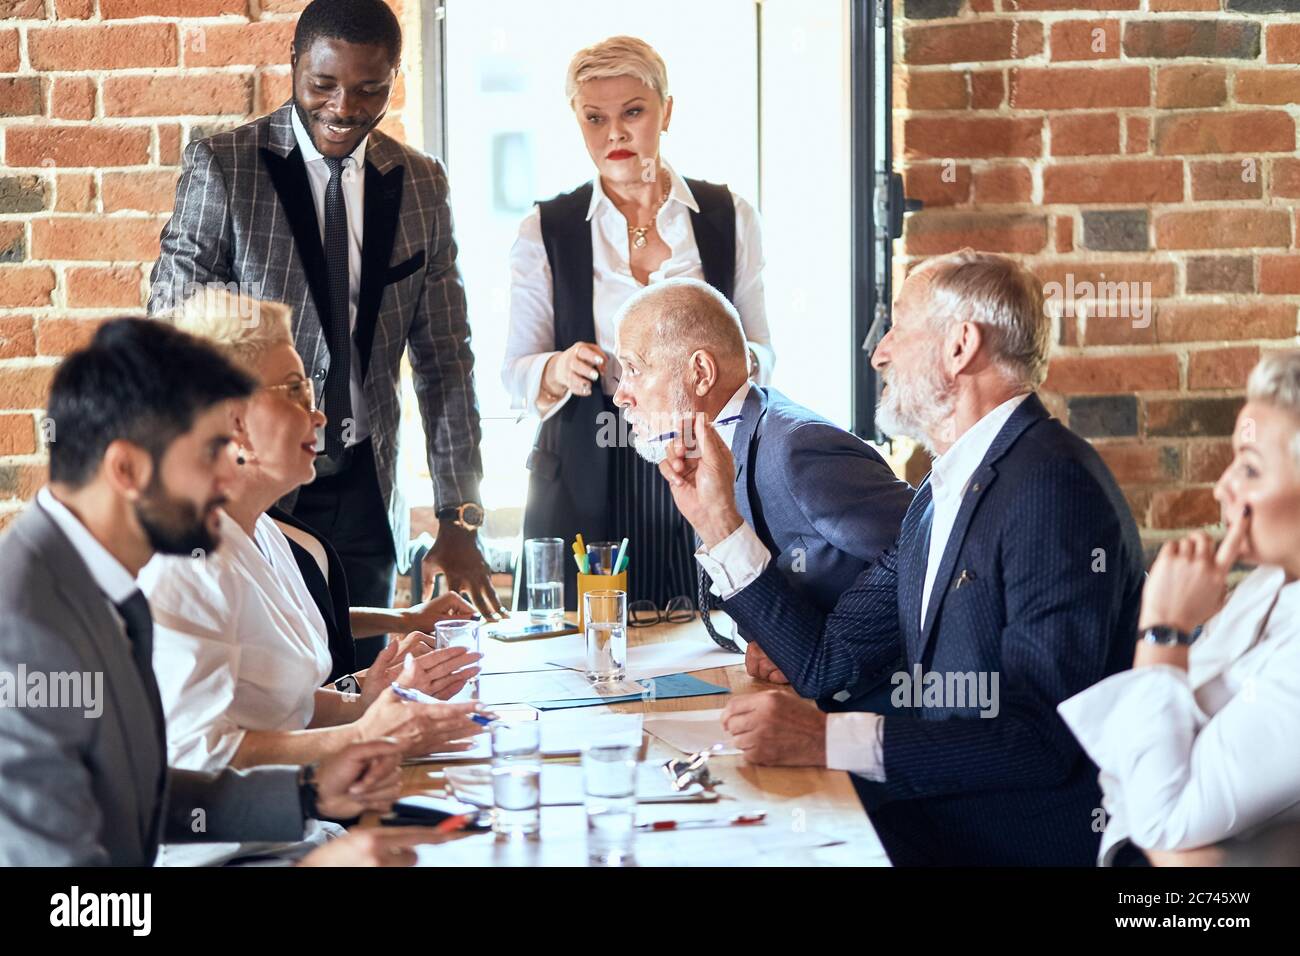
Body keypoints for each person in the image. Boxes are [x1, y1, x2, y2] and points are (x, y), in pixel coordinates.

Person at [660, 250, 1145, 865]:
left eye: (898, 328)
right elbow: (825, 662)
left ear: (960, 345)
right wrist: (717, 521)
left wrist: (829, 738)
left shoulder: (1052, 486)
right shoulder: (938, 493)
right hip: (938, 814)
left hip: (1011, 844)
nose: (879, 352)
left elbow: (1037, 742)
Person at [148, 0, 505, 670]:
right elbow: (172, 333)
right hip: (253, 482)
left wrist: (459, 516)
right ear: (294, 68)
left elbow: (446, 362)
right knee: (272, 683)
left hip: (364, 493)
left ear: (393, 79)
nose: (344, 107)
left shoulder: (421, 183)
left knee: (361, 688)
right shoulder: (225, 168)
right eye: (323, 86)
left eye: (370, 89)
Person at [0, 318, 427, 866]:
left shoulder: (100, 580)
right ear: (127, 468)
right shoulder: (27, 632)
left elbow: (143, 797)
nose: (228, 479)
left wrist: (306, 793)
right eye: (209, 453)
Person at [142, 292, 484, 776]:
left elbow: (284, 705)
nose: (318, 413)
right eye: (295, 390)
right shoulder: (182, 562)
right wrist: (365, 733)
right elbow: (196, 756)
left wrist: (369, 699)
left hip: (300, 821)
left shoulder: (262, 532)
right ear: (233, 422)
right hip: (235, 849)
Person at [503, 36, 774, 610]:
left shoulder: (729, 217)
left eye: (633, 112)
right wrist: (557, 366)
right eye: (594, 118)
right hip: (584, 464)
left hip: (704, 458)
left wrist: (724, 365)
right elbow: (515, 372)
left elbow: (764, 356)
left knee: (712, 638)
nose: (614, 135)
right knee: (584, 652)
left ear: (666, 111)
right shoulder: (545, 230)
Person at [613, 277, 912, 710]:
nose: (621, 394)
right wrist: (771, 638)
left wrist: (824, 648)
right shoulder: (717, 445)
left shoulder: (797, 449)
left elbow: (931, 563)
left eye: (634, 368)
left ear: (700, 372)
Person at [1059, 351, 1300, 866]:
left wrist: (1165, 630)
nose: (1223, 487)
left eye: (1251, 468)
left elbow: (1158, 812)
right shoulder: (1265, 585)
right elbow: (1128, 773)